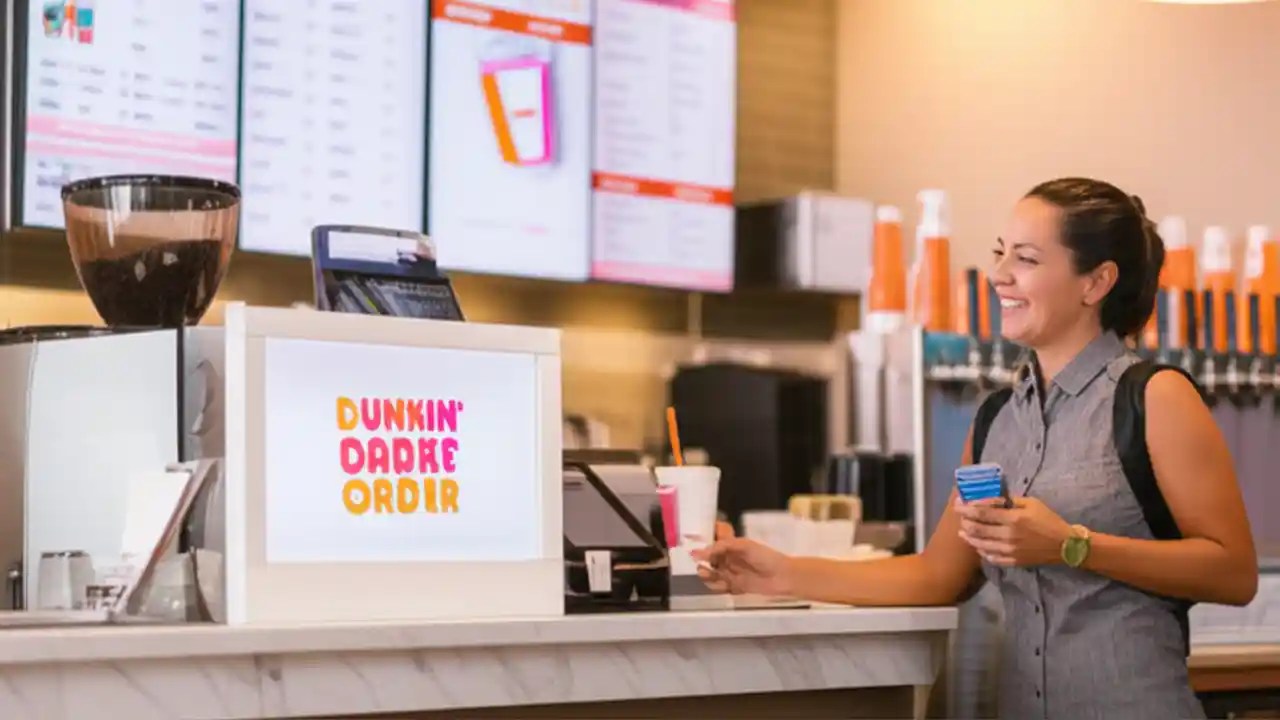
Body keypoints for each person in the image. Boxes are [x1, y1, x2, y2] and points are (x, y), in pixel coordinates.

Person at [695, 177, 1258, 720]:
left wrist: (1071, 546)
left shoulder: (1154, 396)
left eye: (1027, 259)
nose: (999, 275)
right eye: (1000, 253)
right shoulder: (995, 419)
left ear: (1095, 282)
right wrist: (781, 574)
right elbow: (937, 576)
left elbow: (1233, 573)